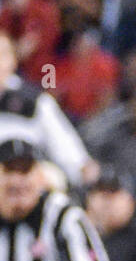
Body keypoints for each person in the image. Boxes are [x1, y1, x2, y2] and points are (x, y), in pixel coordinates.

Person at [0, 32, 97, 186]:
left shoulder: (35, 101)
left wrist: (84, 170)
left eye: (3, 54)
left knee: (52, 176)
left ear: (13, 60)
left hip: (26, 184)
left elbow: (68, 151)